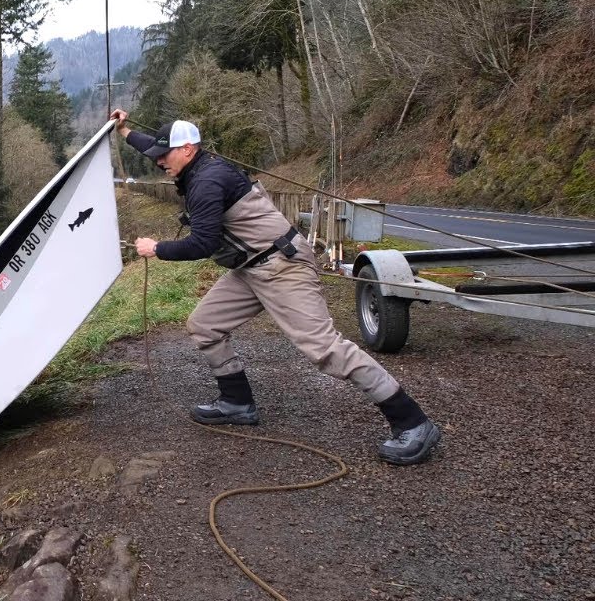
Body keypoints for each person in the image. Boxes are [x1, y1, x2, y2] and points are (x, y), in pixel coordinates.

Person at [112, 109, 441, 465]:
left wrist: (156, 248)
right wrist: (125, 130)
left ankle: (412, 421)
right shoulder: (194, 165)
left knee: (324, 349)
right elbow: (153, 145)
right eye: (158, 155)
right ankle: (237, 403)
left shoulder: (207, 181)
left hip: (282, 266)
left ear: (188, 149)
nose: (160, 161)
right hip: (250, 268)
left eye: (166, 154)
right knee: (204, 326)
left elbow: (202, 243)